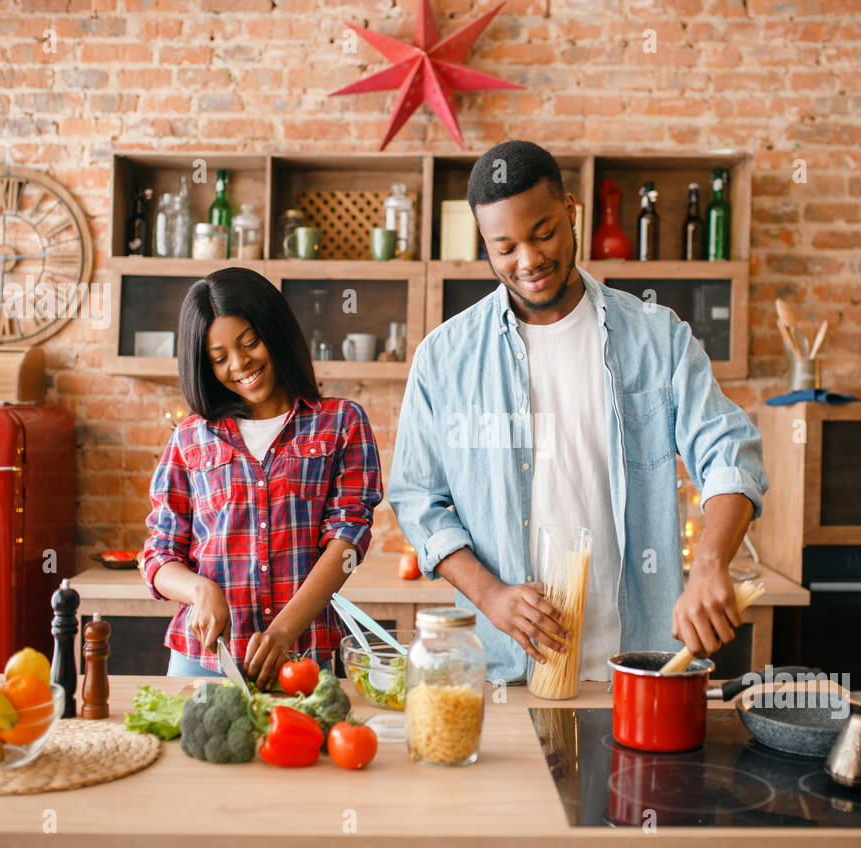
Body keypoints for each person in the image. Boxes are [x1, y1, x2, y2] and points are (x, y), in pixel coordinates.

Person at [388, 140, 768, 684]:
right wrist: (490, 595)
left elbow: (729, 450)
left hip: (635, 667)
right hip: (505, 674)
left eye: (543, 233)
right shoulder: (443, 359)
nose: (528, 261)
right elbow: (418, 499)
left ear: (571, 212)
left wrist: (710, 562)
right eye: (505, 247)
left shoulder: (657, 338)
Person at [142, 267, 383, 687]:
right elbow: (160, 554)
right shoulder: (190, 437)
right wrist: (200, 590)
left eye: (249, 342)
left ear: (274, 330)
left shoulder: (340, 423)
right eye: (218, 358)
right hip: (205, 659)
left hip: (302, 655)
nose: (239, 365)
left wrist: (282, 631)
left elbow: (347, 541)